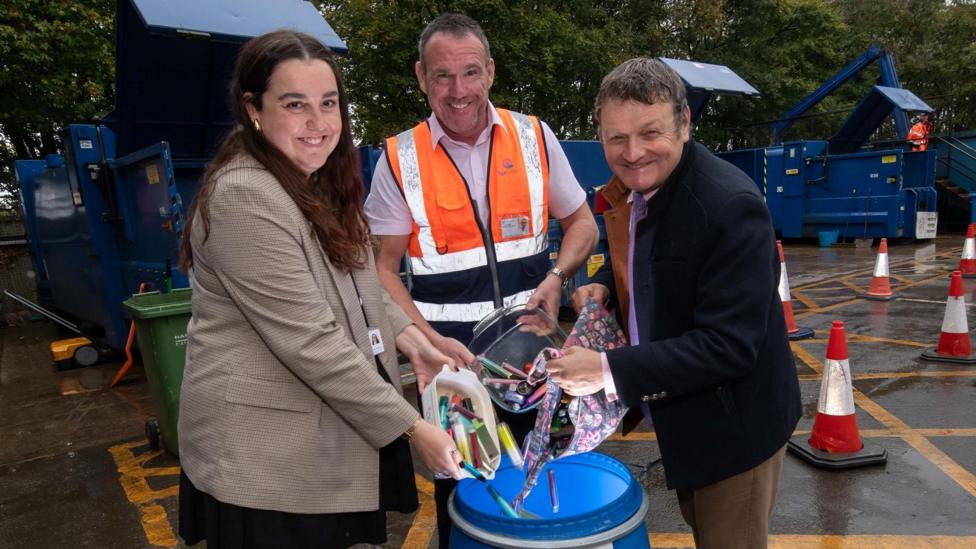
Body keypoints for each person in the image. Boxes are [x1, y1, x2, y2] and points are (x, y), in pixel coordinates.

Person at [176, 30, 462, 549]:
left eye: (328, 104)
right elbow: (311, 341)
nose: (318, 124)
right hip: (266, 466)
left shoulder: (318, 181)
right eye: (295, 105)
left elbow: (359, 290)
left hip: (319, 444)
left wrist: (418, 342)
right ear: (253, 109)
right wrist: (412, 428)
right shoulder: (245, 195)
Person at [364, 13, 599, 547]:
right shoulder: (398, 159)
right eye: (442, 76)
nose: (458, 90)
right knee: (465, 511)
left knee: (549, 494)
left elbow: (582, 222)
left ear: (490, 72)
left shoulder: (534, 136)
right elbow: (382, 269)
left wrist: (559, 274)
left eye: (470, 72)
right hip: (457, 382)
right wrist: (424, 342)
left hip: (540, 370)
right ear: (421, 77)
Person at [547, 58, 801, 549]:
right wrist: (605, 285)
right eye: (616, 138)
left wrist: (602, 368)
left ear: (685, 123)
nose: (633, 152)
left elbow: (727, 346)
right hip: (687, 419)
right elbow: (652, 261)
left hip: (735, 433)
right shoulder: (641, 190)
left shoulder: (729, 207)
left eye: (649, 133)